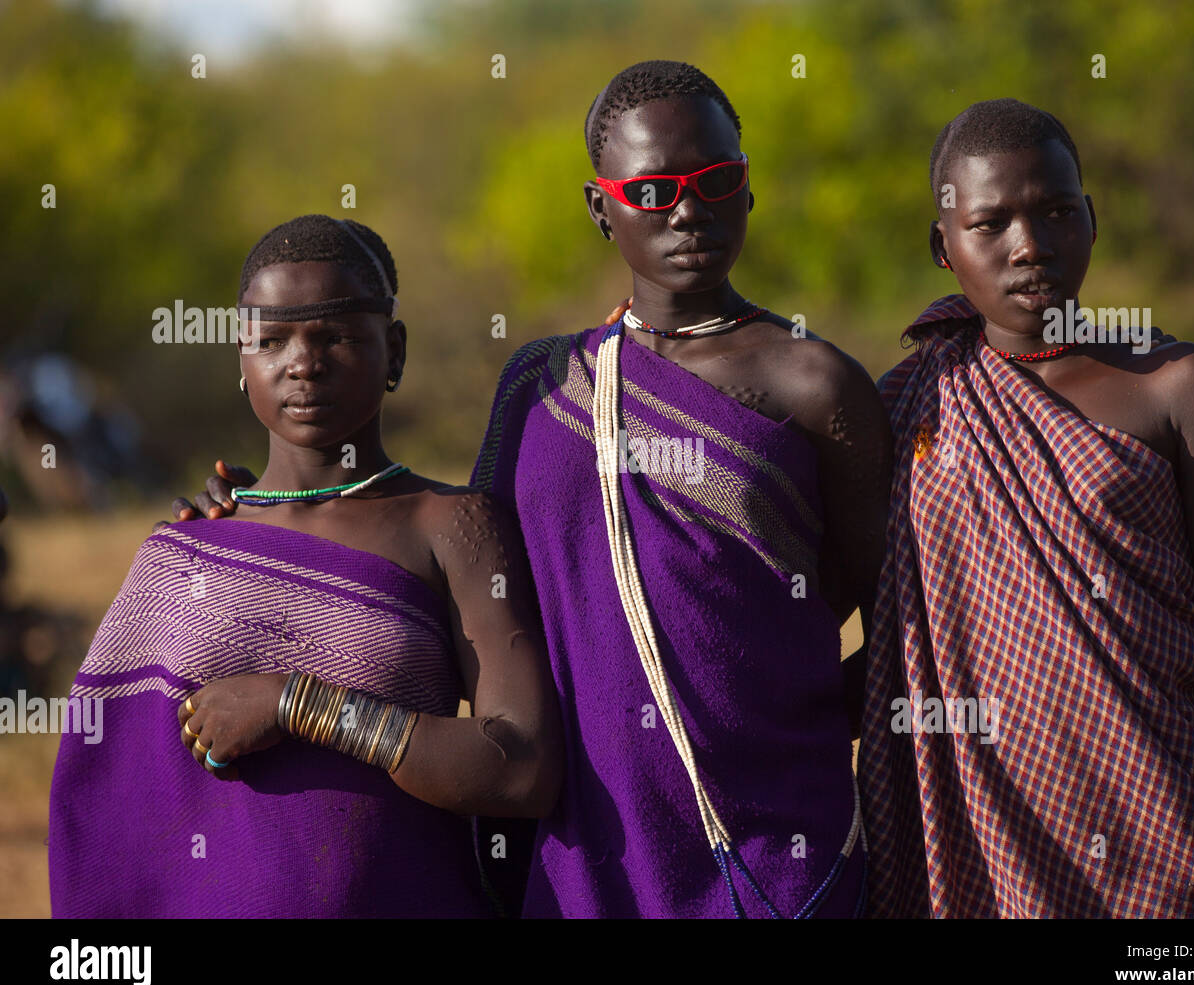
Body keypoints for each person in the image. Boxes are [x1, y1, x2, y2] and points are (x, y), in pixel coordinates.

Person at [171, 62, 892, 918]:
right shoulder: (546, 387)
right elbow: (462, 581)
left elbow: (888, 616)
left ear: (747, 187)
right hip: (585, 848)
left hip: (779, 843)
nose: (687, 210)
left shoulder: (815, 382)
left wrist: (777, 715)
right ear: (602, 207)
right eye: (652, 189)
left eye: (715, 181)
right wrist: (270, 514)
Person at [857, 99, 1194, 918]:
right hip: (980, 854)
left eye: (1058, 211)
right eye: (991, 224)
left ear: (1092, 220)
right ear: (943, 249)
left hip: (1174, 838)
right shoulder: (904, 410)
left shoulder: (1179, 384)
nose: (1032, 246)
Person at [49, 215, 562, 917]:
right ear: (240, 359)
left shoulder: (449, 527)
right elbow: (111, 792)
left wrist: (300, 704)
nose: (303, 362)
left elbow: (522, 766)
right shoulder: (194, 542)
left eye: (339, 335)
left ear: (395, 352)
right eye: (272, 339)